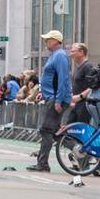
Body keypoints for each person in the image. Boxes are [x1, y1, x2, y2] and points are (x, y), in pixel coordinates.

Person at [28, 30, 72, 172]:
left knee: (46, 130)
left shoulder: (59, 55)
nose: (46, 42)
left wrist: (58, 100)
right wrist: (43, 93)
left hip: (55, 99)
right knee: (54, 132)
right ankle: (81, 153)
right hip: (51, 97)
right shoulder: (55, 55)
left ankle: (43, 164)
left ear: (55, 41)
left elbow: (63, 79)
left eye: (48, 39)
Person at [65, 43, 100, 176]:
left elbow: (92, 86)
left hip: (84, 105)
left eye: (73, 51)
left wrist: (79, 97)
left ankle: (86, 164)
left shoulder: (88, 67)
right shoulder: (78, 68)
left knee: (82, 135)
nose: (71, 53)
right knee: (68, 133)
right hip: (76, 105)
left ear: (81, 52)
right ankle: (81, 159)